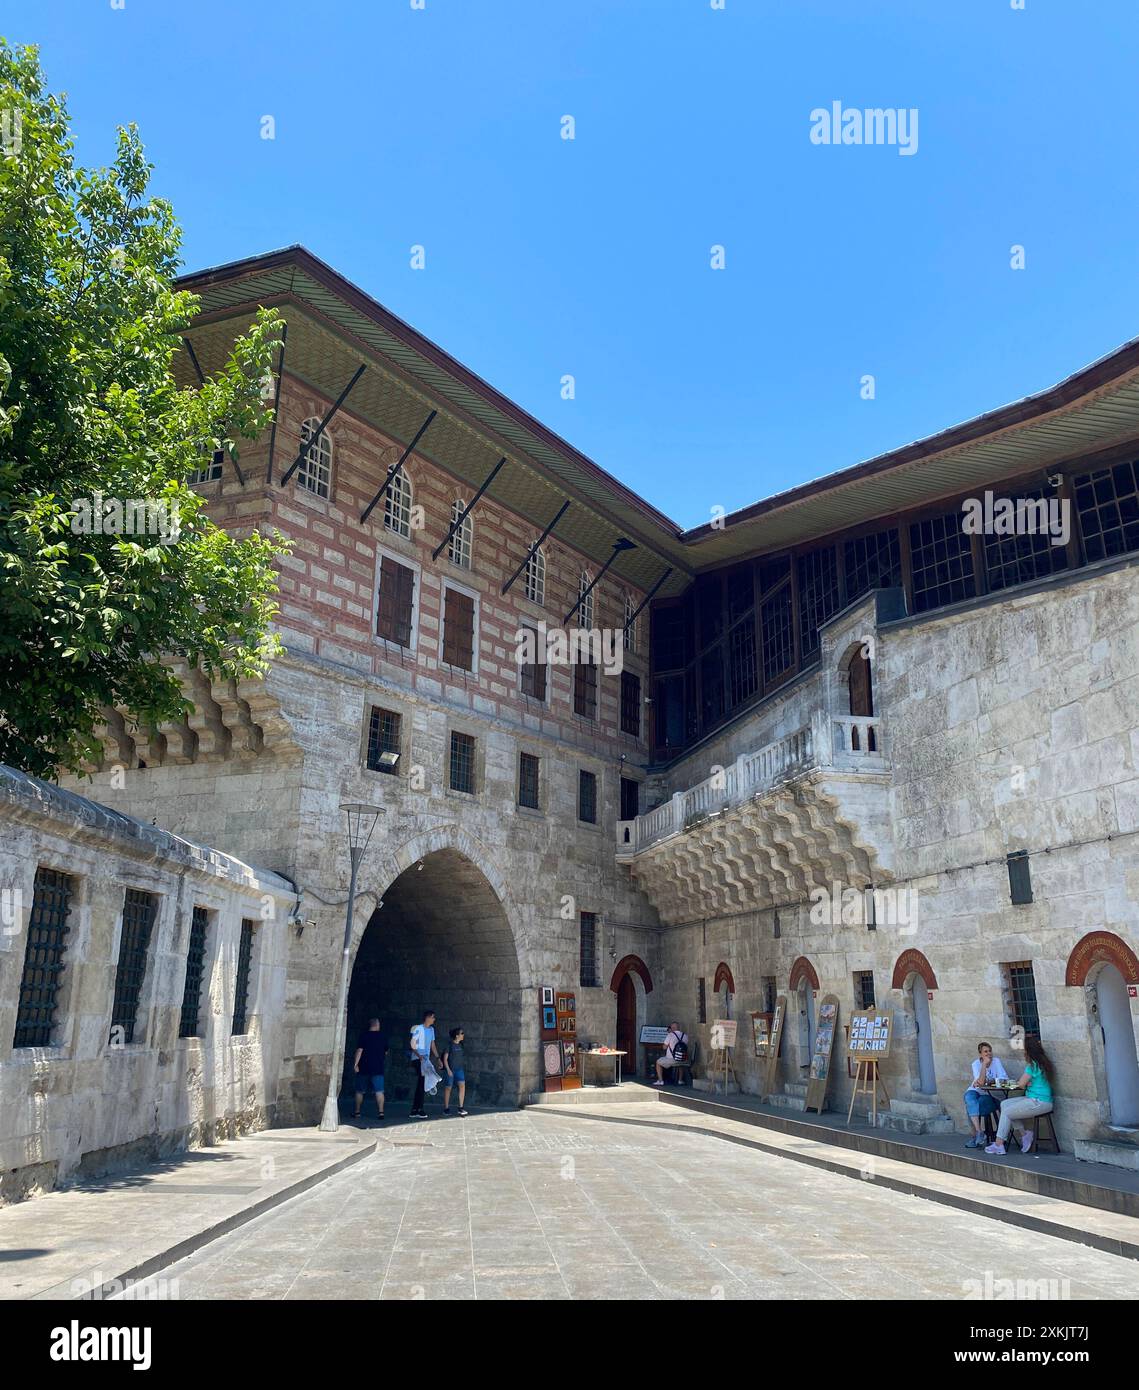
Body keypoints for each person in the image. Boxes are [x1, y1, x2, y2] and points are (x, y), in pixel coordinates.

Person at [985, 1035, 1055, 1156]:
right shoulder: (1042, 1062)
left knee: (1007, 1112)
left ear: (1029, 1051)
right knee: (1004, 1104)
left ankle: (999, 1144)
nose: (1023, 1052)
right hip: (1036, 1098)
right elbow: (1026, 1083)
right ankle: (1025, 1134)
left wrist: (1024, 1083)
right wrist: (1027, 1083)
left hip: (1039, 1101)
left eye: (1025, 1050)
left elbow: (1021, 1084)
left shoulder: (1032, 1066)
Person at [963, 1040, 1007, 1148]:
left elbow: (1003, 1078)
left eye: (990, 1051)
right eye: (985, 1051)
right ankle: (979, 1131)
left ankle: (976, 1137)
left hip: (990, 1094)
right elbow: (980, 1082)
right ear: (980, 1054)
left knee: (971, 1106)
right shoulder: (975, 1064)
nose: (988, 1054)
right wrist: (983, 1065)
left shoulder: (996, 1061)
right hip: (976, 1090)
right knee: (968, 1097)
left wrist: (990, 1081)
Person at [352, 1017, 389, 1122]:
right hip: (378, 1068)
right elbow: (386, 1051)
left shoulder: (364, 1036)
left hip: (363, 1067)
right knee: (379, 1091)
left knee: (360, 1091)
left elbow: (359, 1051)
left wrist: (356, 1064)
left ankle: (357, 1112)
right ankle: (381, 1112)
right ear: (377, 1025)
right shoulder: (383, 1036)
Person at [409, 1009, 442, 1120]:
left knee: (421, 1083)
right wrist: (419, 1056)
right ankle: (419, 1109)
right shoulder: (418, 1029)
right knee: (422, 1081)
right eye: (433, 1017)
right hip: (418, 1059)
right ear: (427, 1017)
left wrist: (438, 1058)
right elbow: (412, 1044)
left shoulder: (432, 1030)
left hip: (426, 1060)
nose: (434, 1019)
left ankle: (415, 1110)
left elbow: (433, 1045)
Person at [442, 1026, 469, 1117]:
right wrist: (448, 1070)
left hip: (459, 1070)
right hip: (450, 1070)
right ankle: (446, 1109)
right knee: (448, 1088)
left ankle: (460, 1108)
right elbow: (445, 1059)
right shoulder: (449, 1045)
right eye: (462, 1033)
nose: (463, 1035)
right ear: (457, 1036)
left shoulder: (461, 1045)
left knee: (462, 1086)